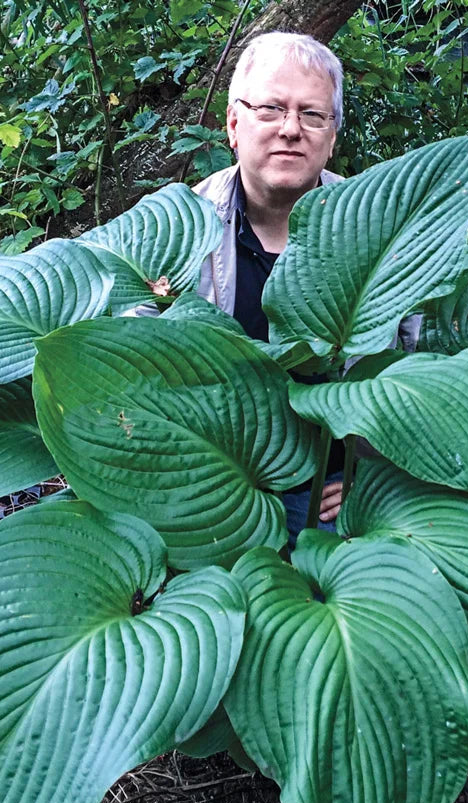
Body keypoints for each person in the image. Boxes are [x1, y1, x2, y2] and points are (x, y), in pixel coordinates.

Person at [192, 32, 346, 535]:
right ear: (234, 125)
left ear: (332, 135)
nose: (291, 129)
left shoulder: (378, 230)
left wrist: (379, 472)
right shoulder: (179, 229)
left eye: (312, 114)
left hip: (334, 485)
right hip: (211, 480)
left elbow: (411, 366)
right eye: (271, 109)